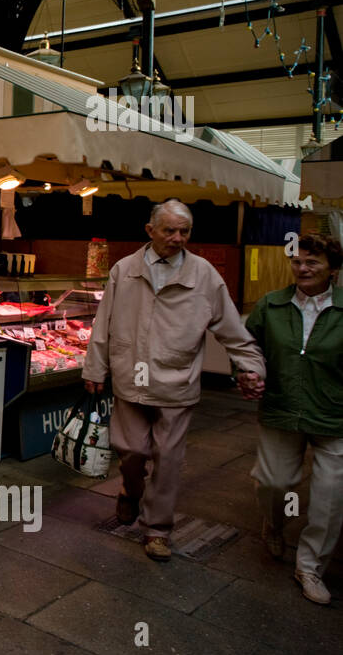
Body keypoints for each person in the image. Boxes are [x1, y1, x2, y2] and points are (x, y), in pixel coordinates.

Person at [83, 199, 265, 561]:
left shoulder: (204, 275)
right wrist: (94, 368)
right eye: (170, 230)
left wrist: (250, 365)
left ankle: (157, 530)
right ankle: (131, 491)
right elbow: (102, 323)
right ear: (150, 231)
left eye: (185, 231)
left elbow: (231, 328)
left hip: (177, 382)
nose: (178, 238)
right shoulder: (124, 270)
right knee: (132, 451)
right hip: (131, 377)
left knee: (167, 459)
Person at [244, 234, 343, 604]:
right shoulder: (272, 305)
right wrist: (247, 371)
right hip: (282, 408)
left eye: (312, 262)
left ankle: (310, 565)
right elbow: (248, 347)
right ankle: (275, 523)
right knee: (274, 482)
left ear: (332, 269)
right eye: (297, 261)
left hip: (334, 415)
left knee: (331, 495)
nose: (302, 268)